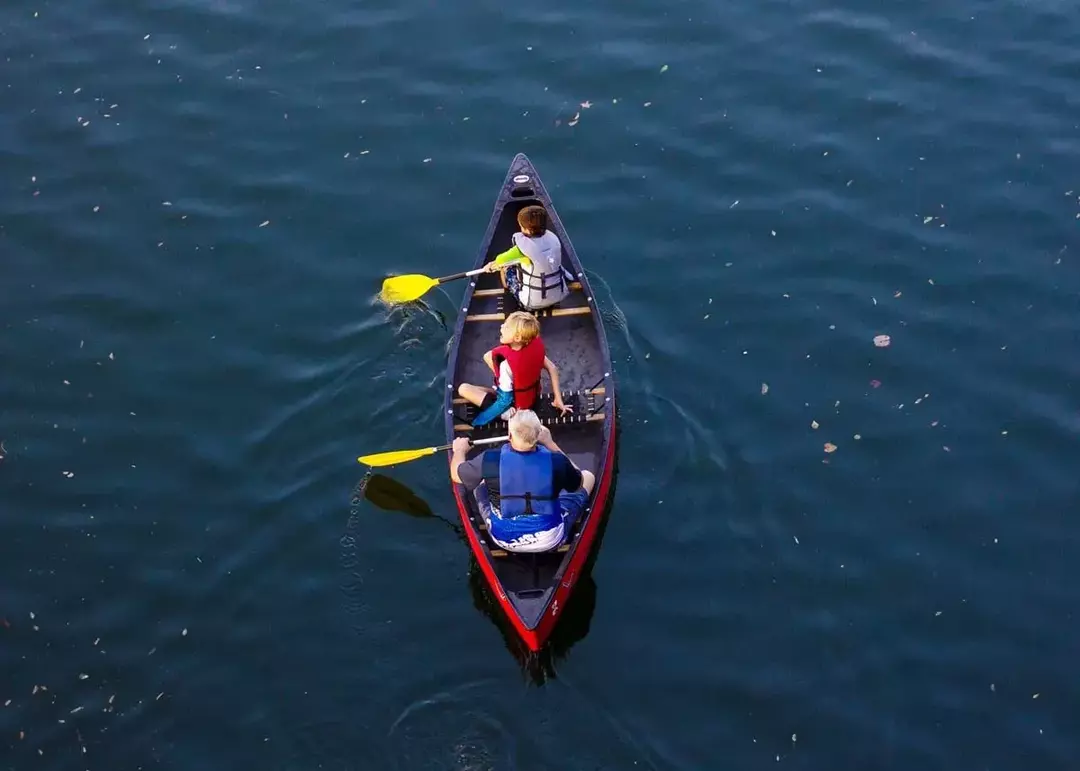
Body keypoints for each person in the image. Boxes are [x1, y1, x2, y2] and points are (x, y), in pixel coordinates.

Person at [450, 410, 596, 553]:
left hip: (504, 540)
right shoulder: (557, 461)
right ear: (538, 435)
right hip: (549, 540)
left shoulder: (489, 460)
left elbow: (456, 476)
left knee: (479, 482)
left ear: (509, 435)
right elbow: (578, 483)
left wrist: (459, 451)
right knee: (588, 476)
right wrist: (550, 443)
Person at [456, 310, 572, 426]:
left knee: (463, 388)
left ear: (517, 338)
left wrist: (478, 421)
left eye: (506, 327)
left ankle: (506, 414)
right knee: (488, 357)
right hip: (531, 396)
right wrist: (558, 399)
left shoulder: (506, 366)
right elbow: (552, 368)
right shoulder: (533, 343)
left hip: (515, 406)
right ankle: (501, 392)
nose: (501, 327)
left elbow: (504, 401)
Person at [484, 205, 570, 310]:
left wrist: (489, 267)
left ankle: (508, 290)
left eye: (521, 226)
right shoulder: (553, 238)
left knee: (506, 268)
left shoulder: (520, 249)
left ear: (527, 230)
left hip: (531, 303)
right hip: (558, 296)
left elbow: (499, 261)